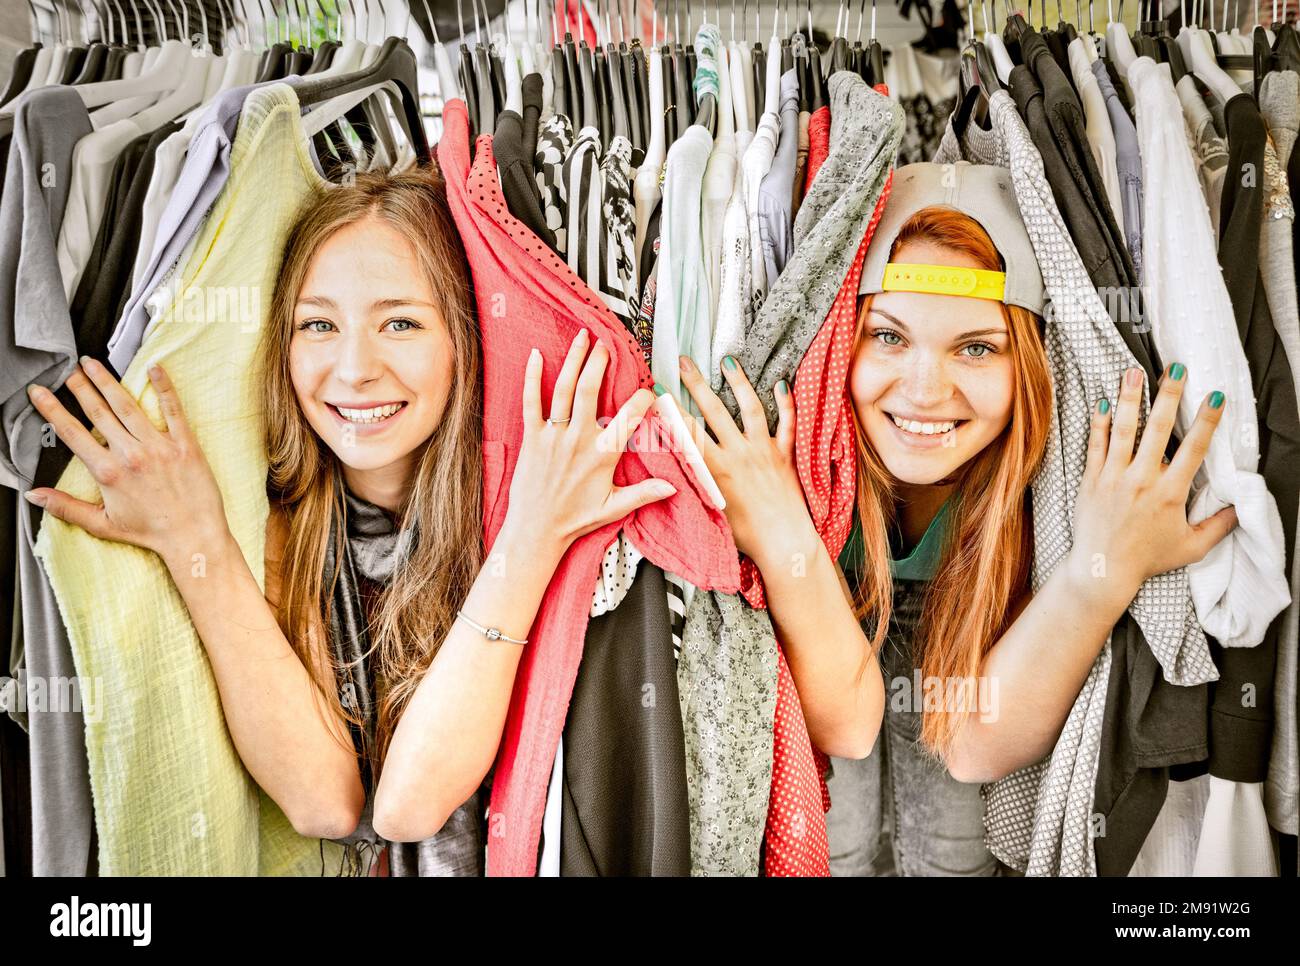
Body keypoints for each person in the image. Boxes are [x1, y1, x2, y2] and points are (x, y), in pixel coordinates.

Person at [22, 168, 676, 875]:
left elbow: (408, 807)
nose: (355, 369)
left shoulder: (519, 503)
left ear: (463, 335)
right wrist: (194, 539)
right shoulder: (284, 524)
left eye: (400, 322)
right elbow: (324, 803)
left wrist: (527, 537)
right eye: (318, 325)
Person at [678, 162, 1240, 875]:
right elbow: (847, 728)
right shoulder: (807, 456)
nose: (923, 390)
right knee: (839, 842)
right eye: (889, 336)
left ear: (1028, 365)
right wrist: (787, 534)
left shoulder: (1052, 485)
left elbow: (976, 746)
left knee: (952, 853)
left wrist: (1108, 568)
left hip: (973, 674)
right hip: (835, 646)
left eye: (976, 347)